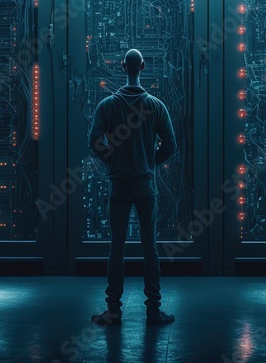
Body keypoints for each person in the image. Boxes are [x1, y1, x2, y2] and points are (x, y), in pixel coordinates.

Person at [88, 49, 177, 327]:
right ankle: (153, 311)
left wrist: (112, 161)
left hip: (119, 184)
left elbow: (94, 141)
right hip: (145, 185)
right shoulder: (156, 106)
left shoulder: (107, 106)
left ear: (122, 66)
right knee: (149, 247)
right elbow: (170, 145)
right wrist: (150, 163)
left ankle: (113, 310)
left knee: (117, 247)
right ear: (143, 66)